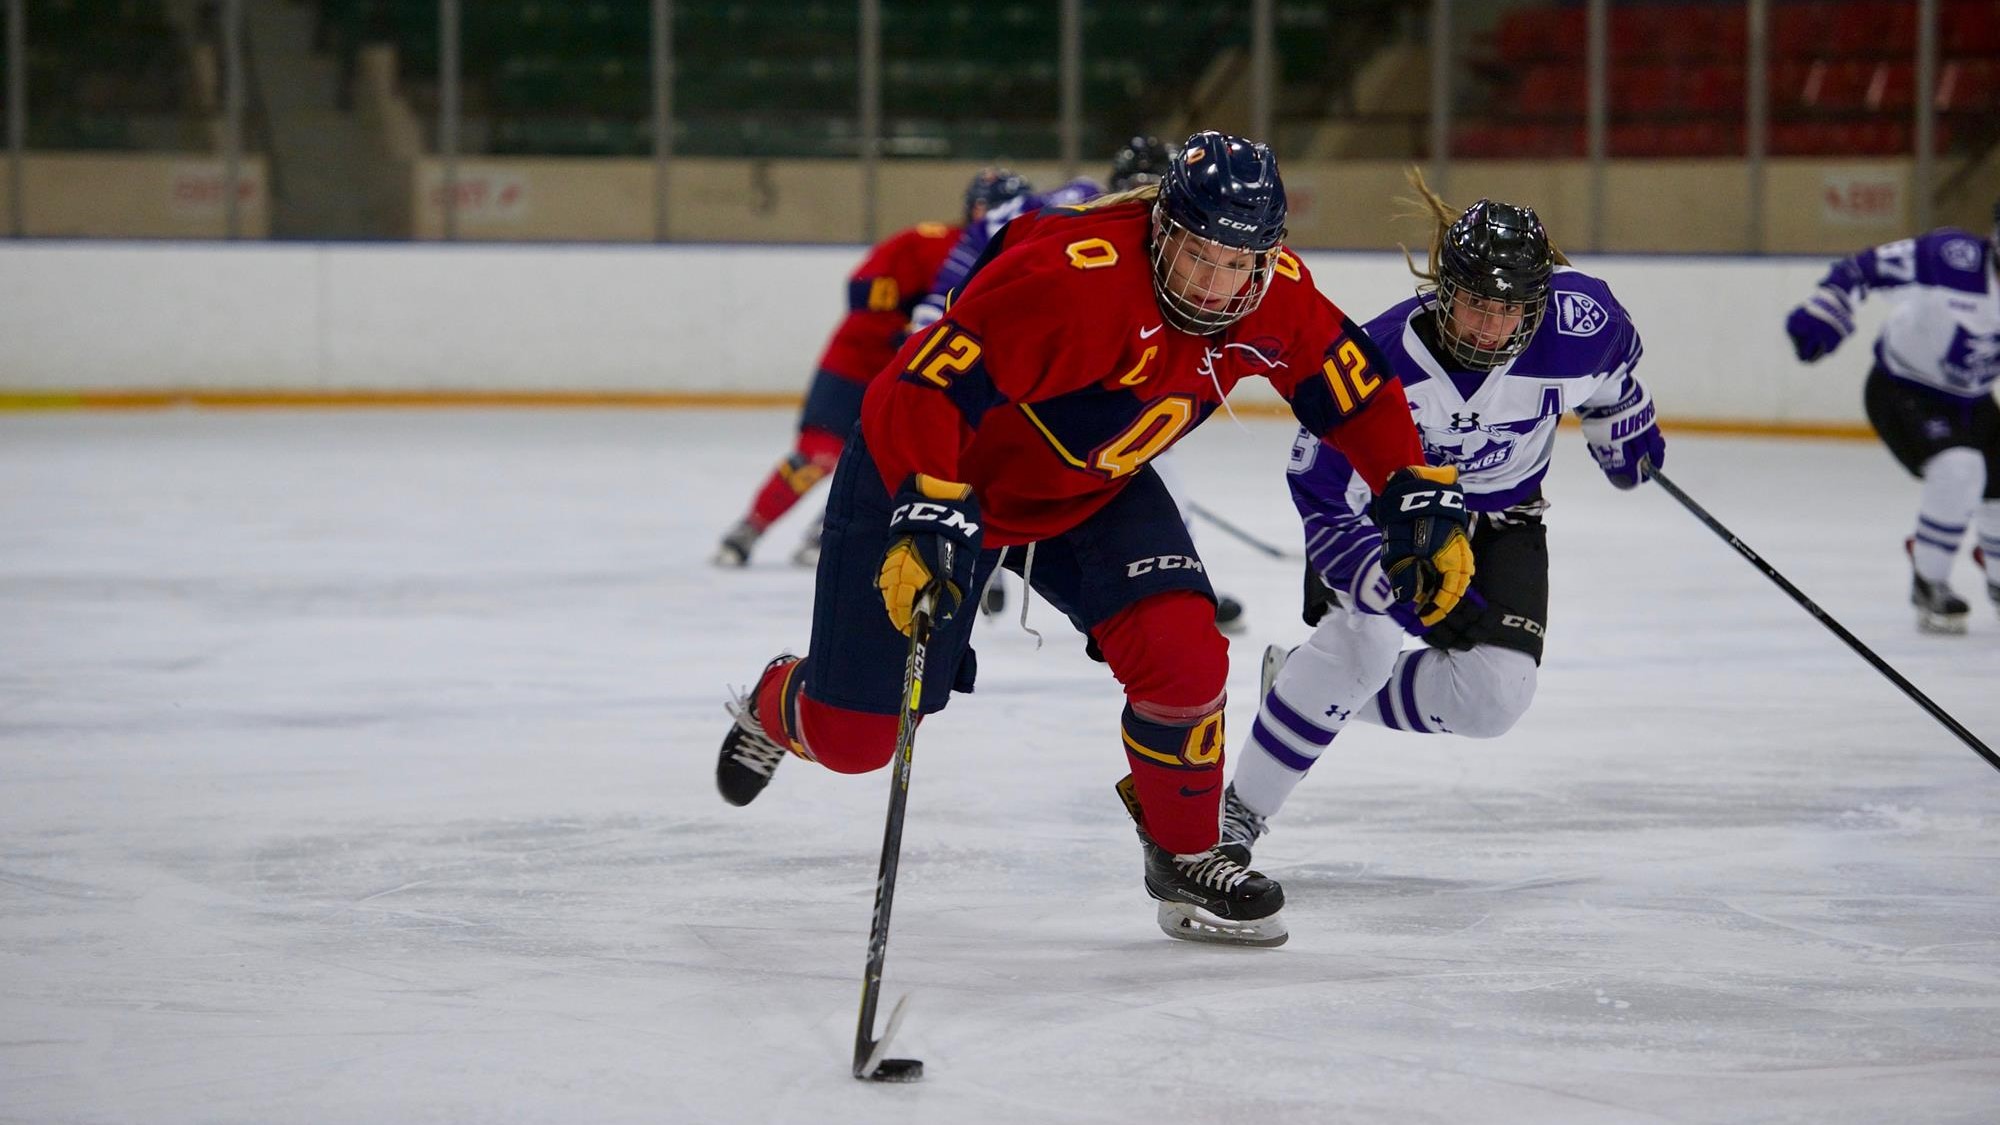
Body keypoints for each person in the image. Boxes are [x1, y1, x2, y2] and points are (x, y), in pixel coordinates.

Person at [713, 133, 1474, 948]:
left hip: (1088, 488)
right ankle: (778, 700)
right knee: (856, 738)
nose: (1216, 285)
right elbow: (921, 384)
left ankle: (1185, 852)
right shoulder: (1071, 279)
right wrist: (928, 499)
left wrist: (1412, 485)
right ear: (1160, 231)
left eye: (1236, 263)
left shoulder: (1276, 293)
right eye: (1196, 255)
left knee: (1184, 650)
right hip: (943, 478)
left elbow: (1351, 385)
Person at [1217, 173, 1665, 868]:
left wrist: (1622, 428)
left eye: (1508, 309)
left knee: (1494, 700)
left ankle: (1300, 685)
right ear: (1443, 290)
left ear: (1536, 304)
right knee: (1358, 651)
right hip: (1386, 518)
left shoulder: (1582, 325)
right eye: (1475, 304)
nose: (1489, 326)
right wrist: (1368, 571)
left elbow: (1614, 375)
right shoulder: (1379, 356)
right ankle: (1240, 808)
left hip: (1506, 517)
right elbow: (1318, 483)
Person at [712, 168, 1033, 567]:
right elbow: (865, 289)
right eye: (992, 208)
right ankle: (750, 528)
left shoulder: (1017, 262)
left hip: (921, 379)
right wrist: (901, 331)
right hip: (858, 367)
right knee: (819, 455)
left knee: (892, 465)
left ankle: (826, 531)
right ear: (973, 208)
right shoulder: (929, 243)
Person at [1785, 199, 2000, 633]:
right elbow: (1864, 268)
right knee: (1960, 469)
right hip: (1902, 389)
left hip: (1973, 400)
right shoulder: (1951, 260)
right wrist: (1827, 310)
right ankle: (1930, 580)